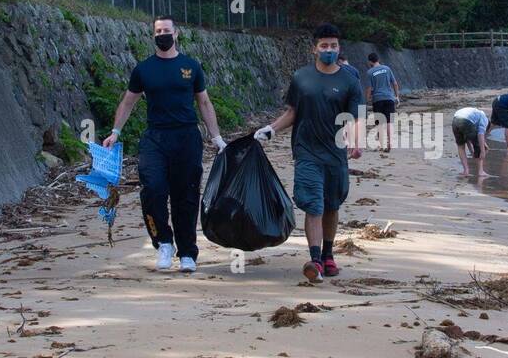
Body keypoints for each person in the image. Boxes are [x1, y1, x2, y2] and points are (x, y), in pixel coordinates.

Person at [104, 16, 227, 273]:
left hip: (186, 137)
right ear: (153, 35)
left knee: (187, 196)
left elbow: (204, 103)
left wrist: (216, 138)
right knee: (153, 190)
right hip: (155, 138)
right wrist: (115, 131)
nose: (162, 34)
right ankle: (162, 243)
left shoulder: (191, 67)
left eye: (166, 30)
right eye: (158, 31)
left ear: (176, 34)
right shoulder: (143, 69)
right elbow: (128, 102)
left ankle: (187, 253)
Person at [255, 23, 363, 282]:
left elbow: (356, 117)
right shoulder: (301, 78)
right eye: (324, 46)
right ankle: (314, 259)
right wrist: (270, 129)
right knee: (313, 204)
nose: (329, 50)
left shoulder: (350, 80)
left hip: (336, 154)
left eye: (334, 46)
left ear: (339, 48)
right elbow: (292, 112)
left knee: (331, 205)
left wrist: (356, 141)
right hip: (306, 152)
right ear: (314, 48)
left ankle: (328, 254)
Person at [364, 52, 400, 153]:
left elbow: (370, 88)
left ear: (370, 61)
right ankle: (390, 143)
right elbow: (395, 83)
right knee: (389, 122)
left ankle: (380, 145)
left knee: (379, 122)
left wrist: (366, 100)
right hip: (389, 98)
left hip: (378, 99)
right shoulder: (387, 69)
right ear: (378, 59)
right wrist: (397, 96)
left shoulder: (370, 72)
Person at [452, 106, 493, 178]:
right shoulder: (484, 120)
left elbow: (467, 139)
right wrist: (482, 151)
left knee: (461, 147)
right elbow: (480, 135)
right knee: (479, 146)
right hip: (466, 120)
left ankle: (466, 171)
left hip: (455, 119)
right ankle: (480, 171)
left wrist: (472, 151)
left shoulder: (476, 117)